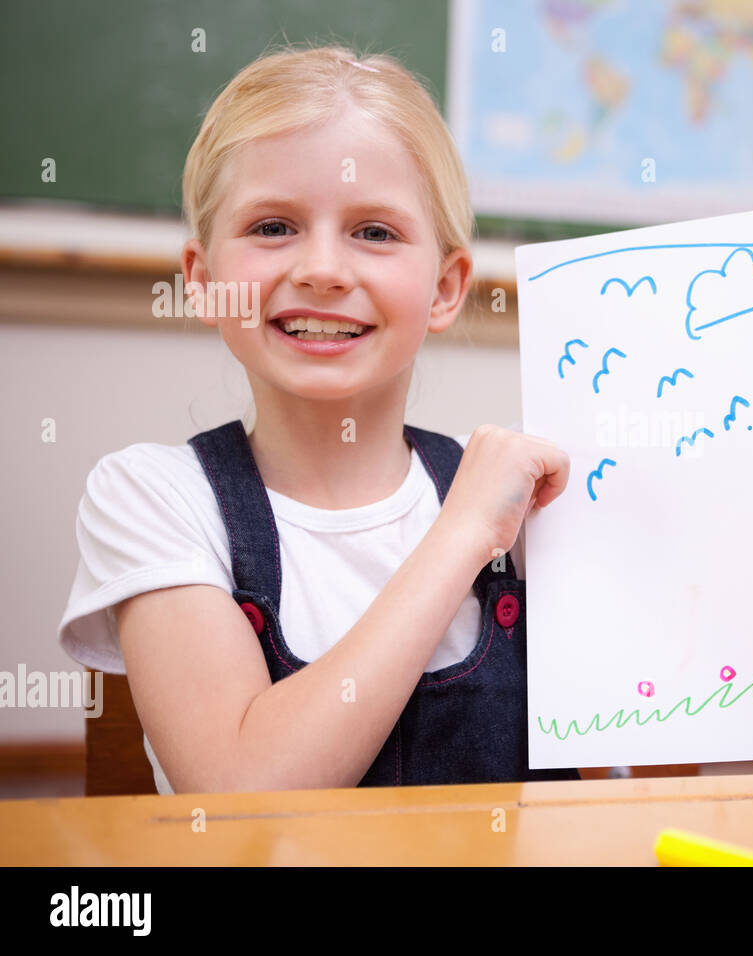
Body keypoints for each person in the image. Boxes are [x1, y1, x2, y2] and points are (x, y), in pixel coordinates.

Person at [57, 44, 581, 793]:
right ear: (203, 281)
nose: (323, 270)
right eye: (273, 227)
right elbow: (244, 790)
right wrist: (465, 531)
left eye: (375, 232)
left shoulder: (530, 506)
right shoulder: (152, 497)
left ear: (445, 288)